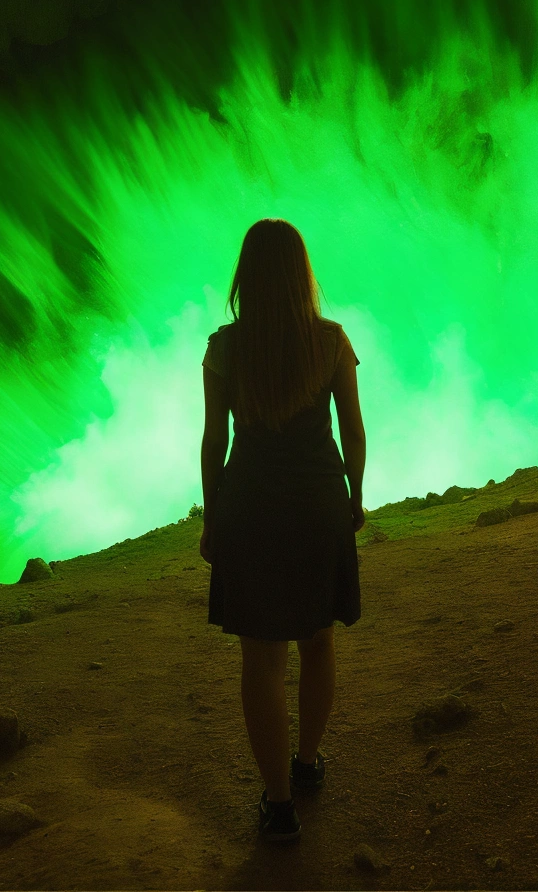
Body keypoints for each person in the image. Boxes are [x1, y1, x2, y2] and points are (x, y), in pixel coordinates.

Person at [200, 218, 367, 844]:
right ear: (302, 275)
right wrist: (356, 498)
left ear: (246, 276)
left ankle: (278, 803)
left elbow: (214, 441)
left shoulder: (224, 349)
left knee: (262, 658)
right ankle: (307, 763)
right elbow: (353, 430)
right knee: (318, 641)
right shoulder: (331, 342)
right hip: (318, 501)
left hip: (250, 506)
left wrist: (212, 516)